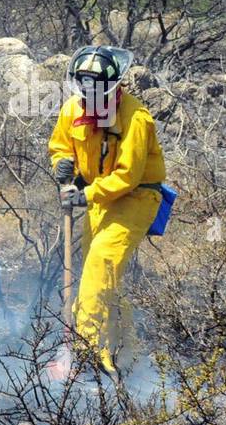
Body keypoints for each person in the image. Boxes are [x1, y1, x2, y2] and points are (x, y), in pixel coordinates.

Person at [49, 46, 167, 373]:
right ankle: (127, 354)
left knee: (99, 266)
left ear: (112, 88)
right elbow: (60, 145)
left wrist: (85, 197)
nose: (87, 99)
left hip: (135, 199)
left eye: (95, 91)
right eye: (83, 90)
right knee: (103, 280)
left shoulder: (135, 118)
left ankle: (84, 358)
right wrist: (62, 165)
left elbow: (128, 176)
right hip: (97, 199)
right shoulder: (73, 109)